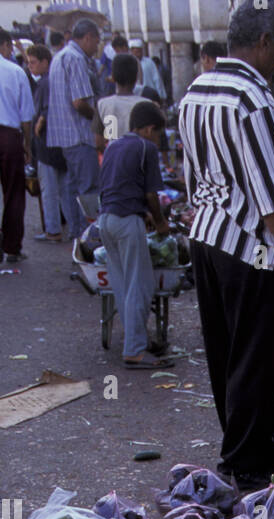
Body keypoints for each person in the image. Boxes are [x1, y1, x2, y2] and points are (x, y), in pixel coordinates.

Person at [178, 0, 274, 486]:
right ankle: (246, 461)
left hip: (208, 237)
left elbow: (195, 173)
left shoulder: (198, 89)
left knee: (225, 351)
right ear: (263, 42)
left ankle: (240, 446)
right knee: (260, 354)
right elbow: (270, 192)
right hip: (252, 250)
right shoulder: (252, 99)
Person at [97, 99, 171, 368]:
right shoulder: (146, 147)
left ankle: (135, 340)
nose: (158, 139)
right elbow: (151, 194)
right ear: (150, 129)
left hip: (105, 220)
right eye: (159, 133)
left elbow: (115, 187)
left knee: (122, 285)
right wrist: (160, 222)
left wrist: (145, 213)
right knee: (140, 286)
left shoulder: (113, 146)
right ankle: (135, 350)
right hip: (127, 222)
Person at [47, 18, 101, 243]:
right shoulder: (76, 59)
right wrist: (102, 124)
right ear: (87, 37)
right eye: (96, 42)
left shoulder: (60, 56)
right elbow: (79, 103)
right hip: (80, 136)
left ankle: (77, 236)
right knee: (88, 189)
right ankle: (87, 240)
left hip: (65, 136)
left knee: (72, 188)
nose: (97, 47)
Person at [0, 25, 33, 263]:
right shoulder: (15, 71)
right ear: (4, 45)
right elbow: (26, 116)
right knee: (14, 192)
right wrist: (27, 146)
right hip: (10, 136)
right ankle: (12, 246)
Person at [27, 43, 69, 242]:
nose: (30, 66)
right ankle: (74, 228)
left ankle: (53, 230)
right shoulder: (52, 79)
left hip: (47, 144)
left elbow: (45, 111)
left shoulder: (46, 82)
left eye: (33, 62)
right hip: (59, 143)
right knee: (65, 189)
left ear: (45, 61)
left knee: (49, 190)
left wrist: (38, 126)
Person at [93, 53, 141, 147]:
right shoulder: (146, 104)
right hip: (140, 157)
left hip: (113, 157)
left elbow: (98, 142)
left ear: (113, 78)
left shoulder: (103, 105)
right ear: (136, 77)